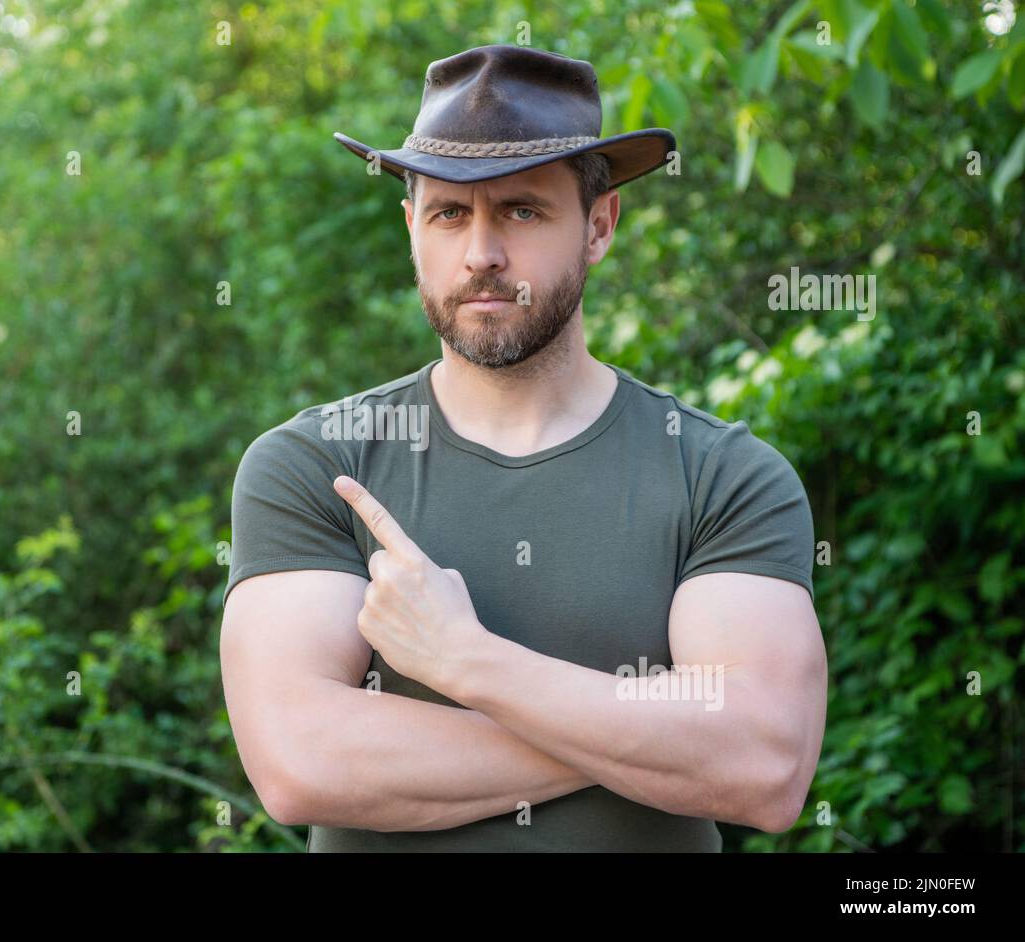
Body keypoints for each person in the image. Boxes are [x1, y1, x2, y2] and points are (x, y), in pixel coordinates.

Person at [220, 43, 827, 852]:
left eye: (522, 210)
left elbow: (763, 763)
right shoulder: (317, 468)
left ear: (599, 225)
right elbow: (302, 763)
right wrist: (646, 734)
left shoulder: (721, 476)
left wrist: (469, 663)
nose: (481, 254)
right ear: (411, 228)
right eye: (448, 214)